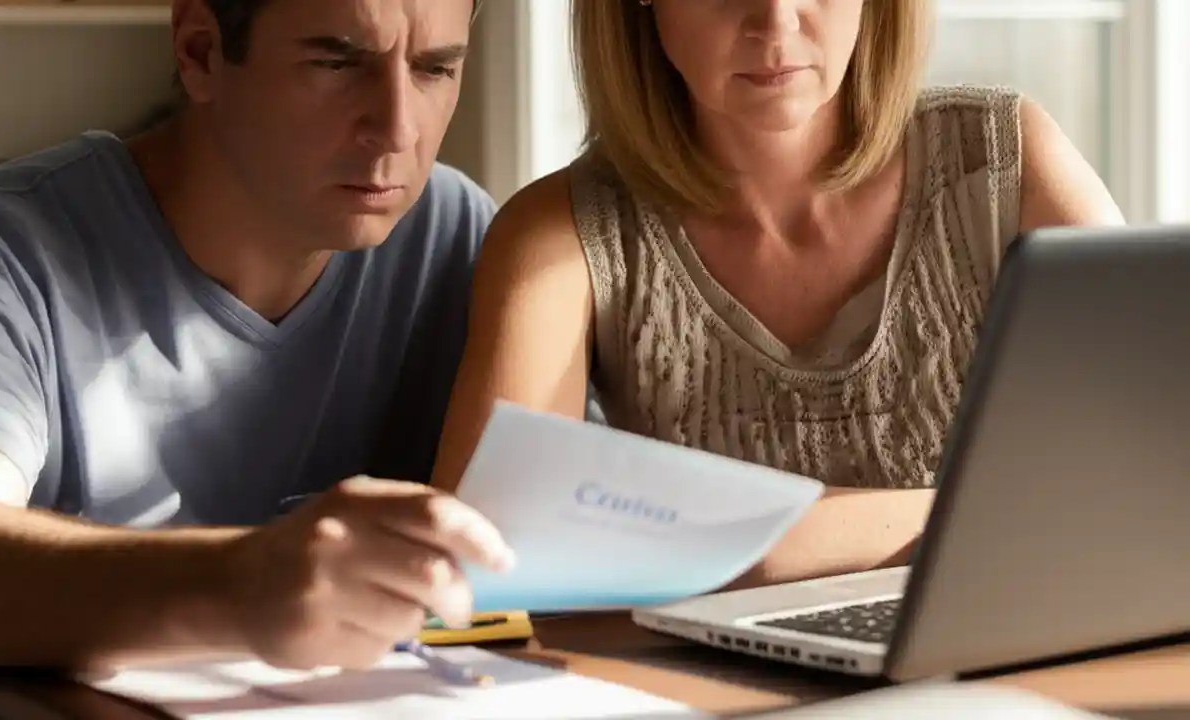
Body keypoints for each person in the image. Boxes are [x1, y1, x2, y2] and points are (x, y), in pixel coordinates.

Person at [0, 0, 515, 672]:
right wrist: (239, 588)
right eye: (336, 62)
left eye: (434, 70)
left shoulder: (455, 235)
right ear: (201, 52)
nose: (398, 129)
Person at [432, 0, 1123, 587]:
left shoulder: (1006, 162)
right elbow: (486, 552)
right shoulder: (558, 236)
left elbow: (1154, 472)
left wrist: (735, 538)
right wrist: (978, 516)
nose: (775, 21)